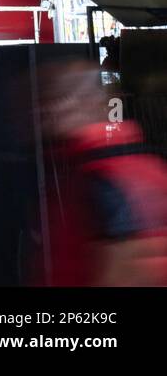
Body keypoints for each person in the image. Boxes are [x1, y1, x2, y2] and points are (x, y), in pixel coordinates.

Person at [35, 57, 167, 286]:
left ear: (90, 103)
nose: (50, 108)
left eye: (61, 97)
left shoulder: (103, 176)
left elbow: (128, 269)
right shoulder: (133, 162)